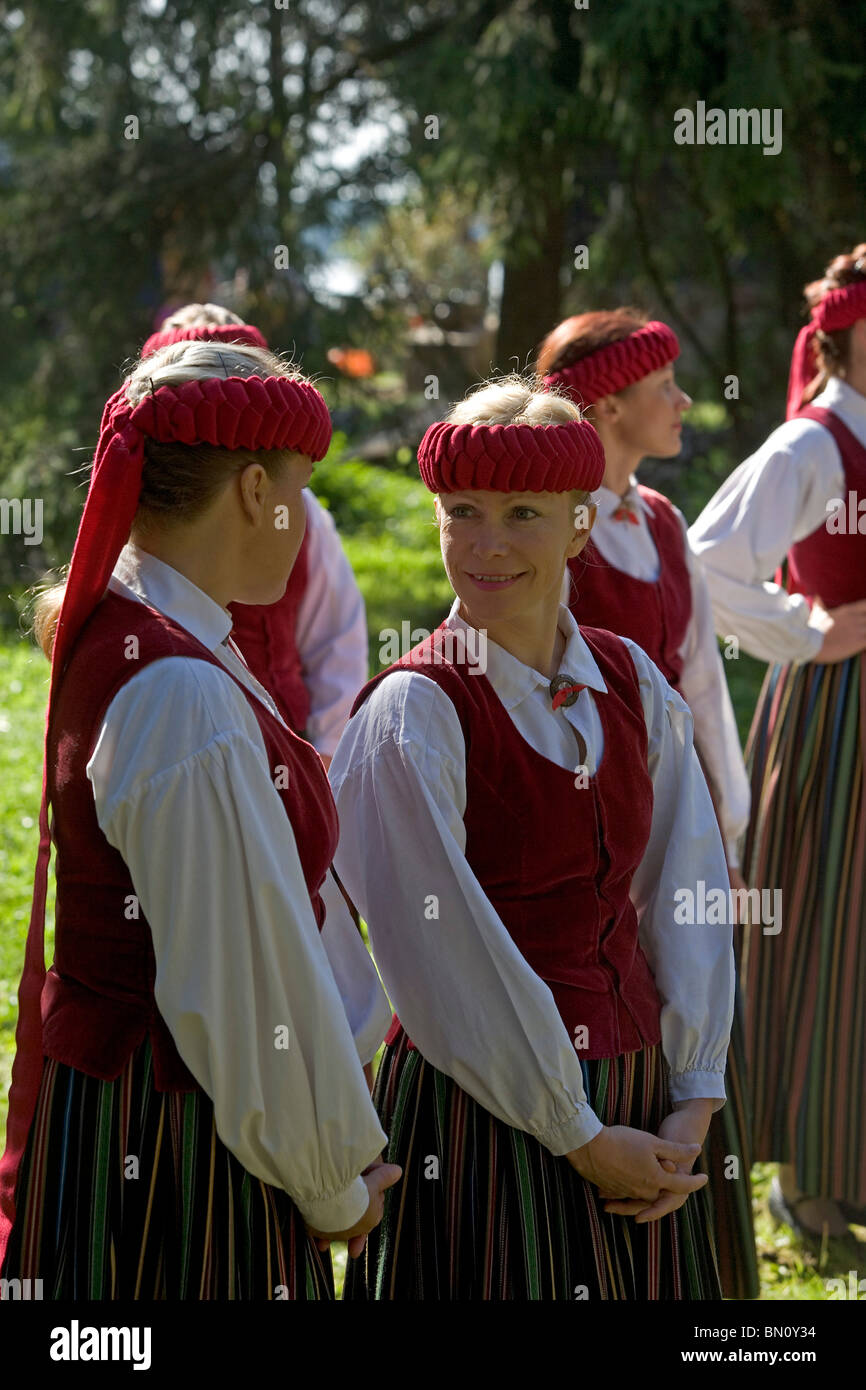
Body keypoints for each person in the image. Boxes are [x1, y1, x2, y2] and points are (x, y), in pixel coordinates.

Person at [0, 339, 399, 1299]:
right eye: (300, 493)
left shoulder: (138, 628)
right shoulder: (179, 687)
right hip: (183, 1148)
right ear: (256, 487)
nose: (302, 524)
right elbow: (236, 994)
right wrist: (330, 1185)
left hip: (123, 1116)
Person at [332, 376, 734, 1301]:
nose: (486, 544)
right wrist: (579, 1135)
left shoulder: (629, 679)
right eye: (462, 511)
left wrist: (696, 1091)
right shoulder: (417, 711)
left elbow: (688, 883)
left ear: (580, 522)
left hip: (640, 1097)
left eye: (522, 512)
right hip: (485, 1116)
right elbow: (442, 957)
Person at [538, 311, 758, 1298]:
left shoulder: (663, 521)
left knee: (690, 1015)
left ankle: (687, 1262)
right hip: (590, 835)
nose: (681, 402)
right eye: (662, 385)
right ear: (607, 403)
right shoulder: (552, 527)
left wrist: (727, 817)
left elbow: (700, 679)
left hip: (678, 827)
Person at [690, 244, 866, 1240]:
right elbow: (709, 563)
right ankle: (805, 1179)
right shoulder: (810, 447)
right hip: (838, 713)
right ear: (844, 334)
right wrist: (809, 629)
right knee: (830, 934)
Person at [142, 303, 368, 765]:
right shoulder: (136, 525)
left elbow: (336, 637)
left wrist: (326, 751)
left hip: (284, 743)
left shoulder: (300, 516)